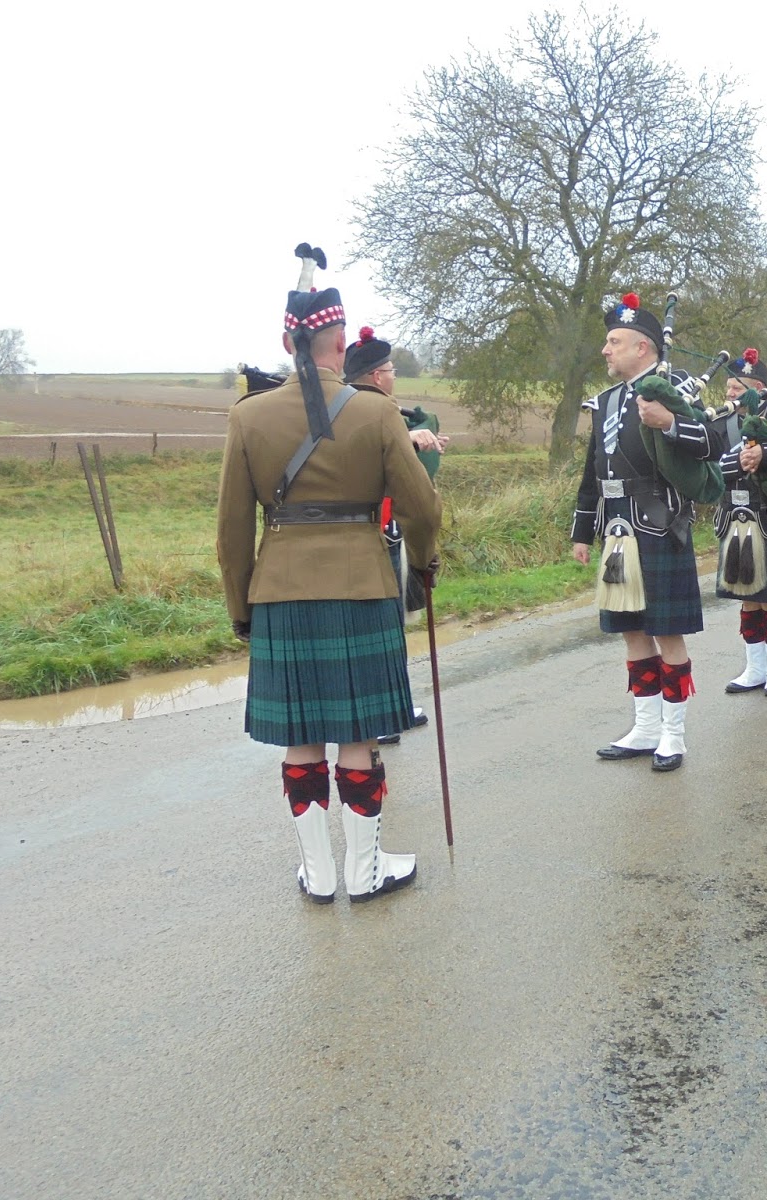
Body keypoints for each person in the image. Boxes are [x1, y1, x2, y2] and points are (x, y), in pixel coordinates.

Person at [217, 245, 442, 904]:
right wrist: (424, 567)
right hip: (363, 586)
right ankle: (362, 871)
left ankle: (318, 875)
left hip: (280, 594)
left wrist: (242, 607)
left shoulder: (247, 416)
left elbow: (232, 536)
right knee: (358, 737)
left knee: (300, 738)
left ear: (286, 342)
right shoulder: (377, 413)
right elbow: (423, 509)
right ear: (337, 344)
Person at [571, 293, 716, 772]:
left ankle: (674, 735)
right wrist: (582, 530)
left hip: (658, 525)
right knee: (632, 632)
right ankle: (645, 727)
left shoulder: (675, 388)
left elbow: (713, 444)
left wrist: (672, 420)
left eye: (615, 342)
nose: (606, 350)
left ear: (643, 348)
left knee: (667, 633)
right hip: (616, 528)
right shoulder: (606, 400)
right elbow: (593, 471)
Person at [343, 325, 450, 745]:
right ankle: (381, 712)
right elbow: (363, 451)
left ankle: (393, 703)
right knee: (375, 628)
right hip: (364, 535)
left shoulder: (376, 409)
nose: (394, 377)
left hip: (385, 529)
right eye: (390, 370)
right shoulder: (361, 411)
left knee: (390, 626)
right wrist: (406, 440)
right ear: (375, 376)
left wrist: (416, 446)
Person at [715, 348, 767, 697]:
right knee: (746, 596)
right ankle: (754, 668)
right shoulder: (720, 421)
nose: (730, 394)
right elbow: (711, 466)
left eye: (737, 388)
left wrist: (763, 455)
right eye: (729, 388)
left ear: (757, 386)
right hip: (733, 516)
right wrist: (736, 463)